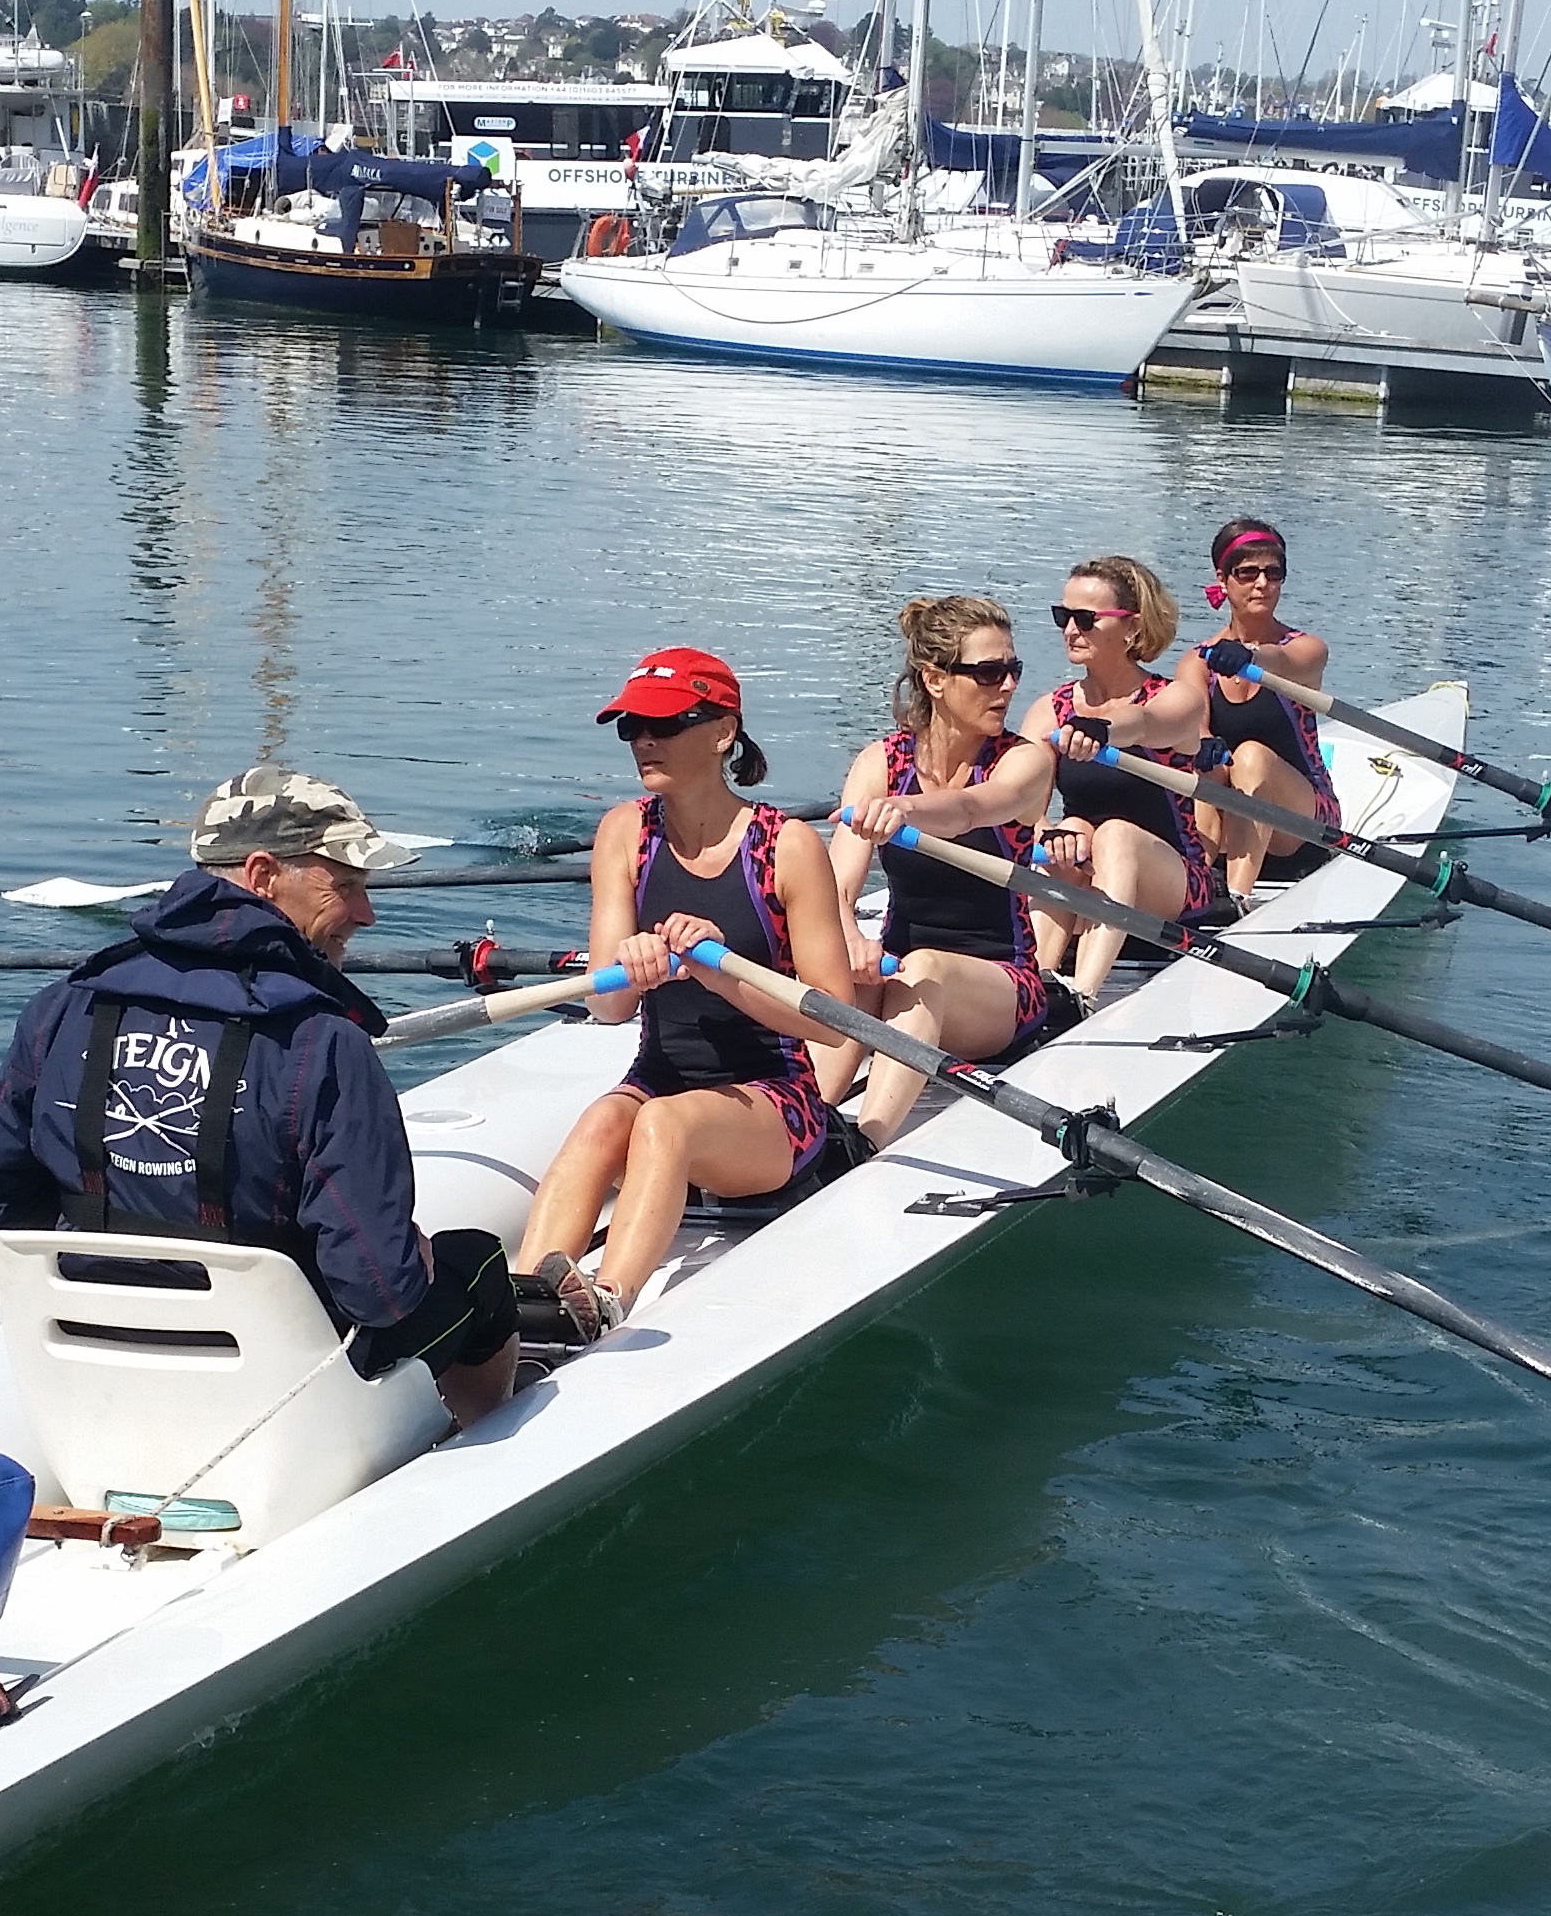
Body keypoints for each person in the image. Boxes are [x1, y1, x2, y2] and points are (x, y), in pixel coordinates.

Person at [0, 764, 519, 1430]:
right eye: (345, 886)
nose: (366, 913)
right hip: (275, 1378)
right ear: (262, 875)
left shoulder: (64, 1007)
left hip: (90, 1341)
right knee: (476, 1262)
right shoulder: (324, 1044)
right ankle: (468, 1440)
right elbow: (378, 1293)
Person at [514, 648, 865, 1335]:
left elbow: (835, 1020)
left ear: (723, 732)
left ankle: (605, 1303)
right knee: (603, 1120)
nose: (644, 741)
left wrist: (717, 970)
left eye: (665, 724)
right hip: (657, 1075)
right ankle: (521, 1308)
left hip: (775, 1098)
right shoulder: (625, 833)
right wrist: (628, 966)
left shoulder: (787, 846)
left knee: (662, 1124)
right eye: (632, 727)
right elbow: (608, 1006)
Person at [819, 595, 1062, 1145]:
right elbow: (837, 888)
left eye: (1014, 669)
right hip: (898, 972)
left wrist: (904, 809)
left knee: (924, 968)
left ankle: (865, 1142)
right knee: (845, 967)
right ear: (934, 680)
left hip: (1003, 987)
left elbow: (972, 808)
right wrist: (849, 938)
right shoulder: (881, 763)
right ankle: (804, 1122)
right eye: (989, 673)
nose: (1008, 686)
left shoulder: (1024, 761)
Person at [1026, 552, 1221, 999]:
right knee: (1068, 832)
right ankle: (1035, 984)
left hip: (1177, 884)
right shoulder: (1049, 710)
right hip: (1088, 867)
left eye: (1085, 619)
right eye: (1062, 616)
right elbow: (1024, 806)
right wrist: (1045, 832)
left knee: (1114, 834)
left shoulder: (1178, 699)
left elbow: (1147, 723)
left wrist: (1104, 730)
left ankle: (1083, 995)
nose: (1070, 630)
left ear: (1131, 627)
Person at [1186, 516, 1339, 901]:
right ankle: (1196, 883)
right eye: (1248, 572)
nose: (1262, 583)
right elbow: (1194, 725)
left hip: (1302, 827)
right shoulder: (1197, 662)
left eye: (1273, 573)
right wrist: (1202, 744)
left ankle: (1236, 898)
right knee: (1205, 762)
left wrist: (1250, 657)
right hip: (1229, 822)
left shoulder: (1307, 649)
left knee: (1251, 756)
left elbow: (1282, 661)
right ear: (1223, 579)